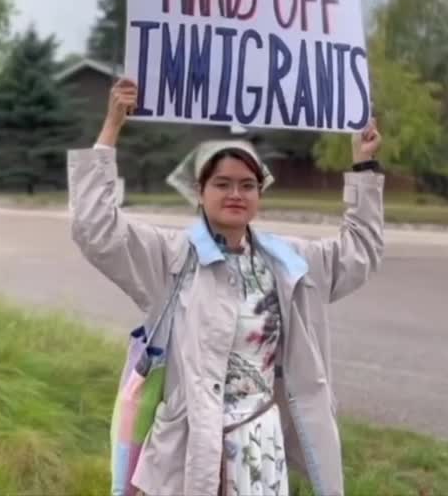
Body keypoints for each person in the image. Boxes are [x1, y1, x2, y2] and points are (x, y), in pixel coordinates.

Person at [68, 78, 385, 496]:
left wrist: (363, 166)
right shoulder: (171, 257)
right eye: (222, 183)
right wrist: (110, 129)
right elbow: (95, 228)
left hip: (259, 452)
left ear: (260, 194)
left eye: (247, 185)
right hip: (188, 453)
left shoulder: (289, 262)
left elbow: (360, 250)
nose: (236, 193)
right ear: (198, 192)